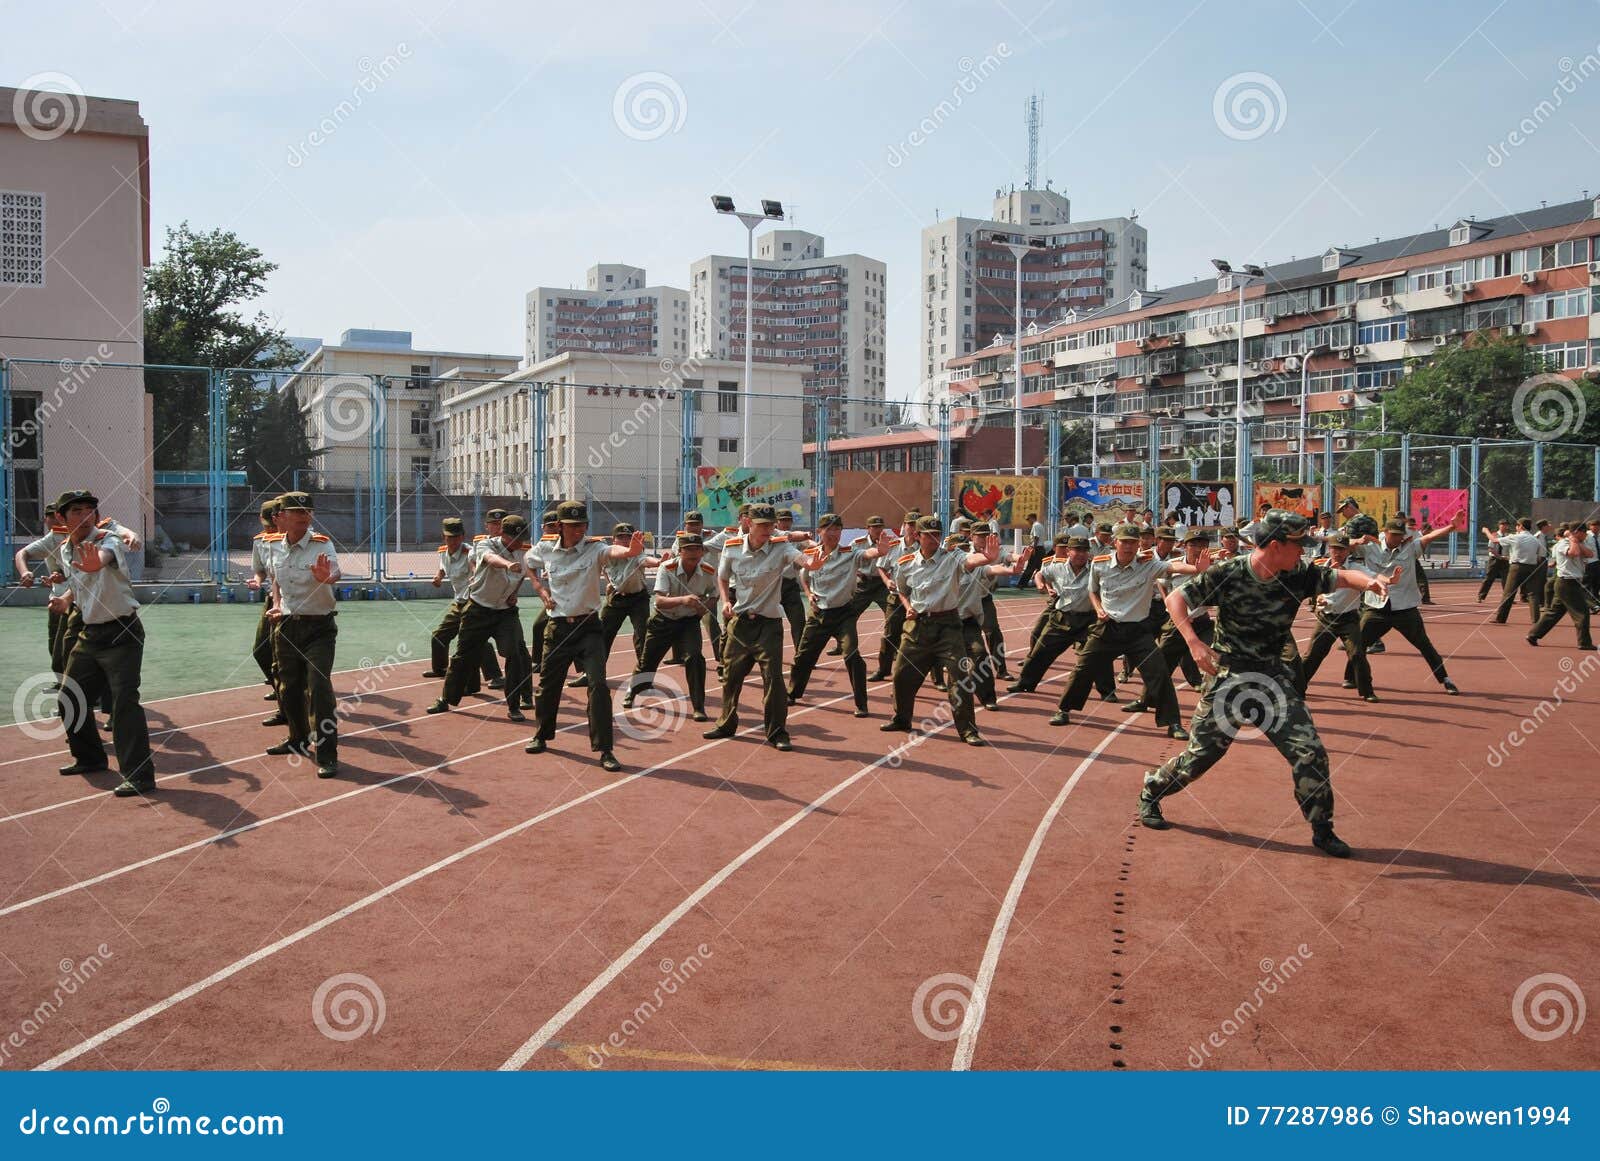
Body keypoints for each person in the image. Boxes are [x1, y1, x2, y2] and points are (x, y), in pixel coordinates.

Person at [1137, 510, 1395, 857]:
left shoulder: (1299, 573)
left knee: (1310, 752)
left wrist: (1371, 581)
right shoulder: (1229, 573)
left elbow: (1344, 577)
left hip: (1272, 678)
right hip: (1228, 678)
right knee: (1200, 758)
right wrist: (1194, 643)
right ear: (1275, 545)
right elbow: (1175, 599)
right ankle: (1152, 790)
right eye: (1297, 545)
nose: (1303, 552)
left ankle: (1322, 828)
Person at [519, 503, 647, 770]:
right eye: (574, 525)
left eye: (583, 525)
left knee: (598, 685)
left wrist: (632, 550)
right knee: (547, 686)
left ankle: (605, 749)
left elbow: (616, 551)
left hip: (589, 628)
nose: (580, 530)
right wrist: (539, 589)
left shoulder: (595, 548)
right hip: (558, 629)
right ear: (560, 527)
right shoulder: (545, 549)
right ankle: (542, 735)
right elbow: (527, 563)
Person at [1048, 523, 1206, 739]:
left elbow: (1175, 569)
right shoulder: (1100, 564)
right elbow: (1092, 591)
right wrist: (1098, 608)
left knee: (1159, 673)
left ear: (1138, 544)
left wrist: (1198, 568)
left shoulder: (1148, 564)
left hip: (1137, 631)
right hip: (1108, 628)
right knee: (1083, 668)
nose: (1129, 547)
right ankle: (1063, 710)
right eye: (1125, 542)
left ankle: (1173, 723)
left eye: (1133, 542)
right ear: (1115, 543)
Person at [50, 490, 157, 798]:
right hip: (89, 632)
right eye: (76, 512)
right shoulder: (66, 548)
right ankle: (90, 758)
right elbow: (79, 582)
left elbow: (100, 562)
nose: (84, 517)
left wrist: (94, 564)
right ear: (61, 518)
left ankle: (139, 777)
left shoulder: (106, 540)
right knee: (69, 697)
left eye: (89, 511)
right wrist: (66, 600)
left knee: (124, 703)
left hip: (122, 632)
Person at [704, 503, 834, 751]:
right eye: (762, 525)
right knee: (731, 676)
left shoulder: (780, 546)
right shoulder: (731, 548)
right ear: (748, 524)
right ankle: (726, 723)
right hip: (740, 624)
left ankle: (777, 732)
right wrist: (726, 600)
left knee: (773, 680)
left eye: (770, 525)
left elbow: (802, 559)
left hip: (768, 625)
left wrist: (812, 563)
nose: (767, 529)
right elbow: (722, 577)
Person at [877, 515, 1000, 745]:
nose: (934, 539)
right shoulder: (906, 563)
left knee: (960, 676)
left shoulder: (952, 557)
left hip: (949, 627)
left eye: (938, 534)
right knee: (902, 674)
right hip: (917, 627)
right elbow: (901, 590)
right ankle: (902, 718)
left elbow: (970, 561)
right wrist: (908, 607)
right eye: (929, 535)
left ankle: (968, 730)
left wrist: (986, 557)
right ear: (917, 536)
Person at [264, 491, 343, 778]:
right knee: (289, 688)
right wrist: (276, 604)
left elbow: (334, 572)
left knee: (319, 689)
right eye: (297, 512)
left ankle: (327, 753)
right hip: (286, 625)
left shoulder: (322, 544)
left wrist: (327, 578)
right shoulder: (272, 546)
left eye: (307, 512)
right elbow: (275, 579)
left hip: (319, 627)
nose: (304, 517)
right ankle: (297, 739)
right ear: (281, 517)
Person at [428, 513, 535, 723]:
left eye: (522, 538)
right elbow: (490, 559)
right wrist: (507, 564)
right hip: (478, 609)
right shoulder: (485, 545)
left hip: (505, 612)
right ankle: (446, 699)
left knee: (514, 654)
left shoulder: (525, 551)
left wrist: (514, 593)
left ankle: (514, 706)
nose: (519, 542)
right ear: (503, 534)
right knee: (462, 656)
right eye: (515, 538)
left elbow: (522, 574)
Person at [788, 513, 894, 717]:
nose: (833, 534)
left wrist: (880, 551)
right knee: (803, 656)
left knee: (853, 656)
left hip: (843, 614)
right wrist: (809, 595)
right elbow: (805, 577)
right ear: (819, 532)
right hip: (819, 615)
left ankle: (861, 704)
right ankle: (793, 693)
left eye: (837, 529)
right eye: (828, 529)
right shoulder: (811, 554)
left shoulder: (849, 552)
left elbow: (867, 554)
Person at [1357, 513, 1466, 695]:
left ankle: (1445, 679)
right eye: (1394, 534)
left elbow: (1430, 536)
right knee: (1357, 645)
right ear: (1385, 533)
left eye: (1400, 534)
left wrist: (1452, 527)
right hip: (1377, 607)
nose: (1398, 538)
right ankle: (1351, 677)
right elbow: (1344, 546)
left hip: (1405, 608)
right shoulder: (1370, 547)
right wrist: (1357, 540)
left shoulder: (1411, 547)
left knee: (1425, 645)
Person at [624, 532, 715, 721]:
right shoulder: (667, 568)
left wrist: (704, 608)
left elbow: (714, 595)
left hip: (689, 622)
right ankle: (633, 690)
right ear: (679, 551)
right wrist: (684, 600)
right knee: (647, 661)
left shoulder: (708, 571)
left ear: (702, 552)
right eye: (688, 549)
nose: (693, 553)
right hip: (663, 621)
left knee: (695, 657)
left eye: (697, 549)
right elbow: (659, 602)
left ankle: (699, 706)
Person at [567, 523, 663, 689]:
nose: (625, 541)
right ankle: (589, 674)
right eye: (621, 537)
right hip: (616, 599)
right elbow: (601, 567)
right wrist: (610, 582)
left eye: (629, 537)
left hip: (638, 599)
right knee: (601, 635)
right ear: (614, 539)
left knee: (642, 636)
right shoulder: (607, 553)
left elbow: (646, 561)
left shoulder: (637, 554)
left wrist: (660, 562)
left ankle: (644, 679)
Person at [1296, 532, 1391, 701]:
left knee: (1357, 654)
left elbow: (1374, 576)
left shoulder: (1356, 568)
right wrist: (1318, 599)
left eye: (1342, 549)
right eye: (1334, 549)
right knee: (1312, 655)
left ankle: (1367, 691)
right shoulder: (1319, 565)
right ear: (1329, 549)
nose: (1338, 553)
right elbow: (1310, 589)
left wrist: (1389, 580)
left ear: (1348, 551)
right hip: (1325, 619)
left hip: (1348, 619)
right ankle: (1297, 688)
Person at [1009, 532, 1096, 692]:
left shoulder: (1096, 569)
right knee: (1039, 652)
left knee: (1095, 656)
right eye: (1077, 550)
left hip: (1088, 620)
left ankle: (1107, 690)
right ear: (1068, 551)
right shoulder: (1057, 568)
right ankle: (1025, 683)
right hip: (1061, 619)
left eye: (1084, 550)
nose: (1081, 554)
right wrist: (1040, 584)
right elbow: (1040, 574)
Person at [426, 515, 504, 694]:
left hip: (473, 602)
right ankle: (440, 668)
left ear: (462, 537)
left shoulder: (469, 552)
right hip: (458, 602)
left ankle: (495, 676)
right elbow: (443, 566)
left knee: (475, 639)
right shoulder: (443, 552)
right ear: (443, 537)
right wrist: (438, 577)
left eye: (456, 537)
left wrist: (474, 574)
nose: (452, 541)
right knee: (439, 635)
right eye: (449, 537)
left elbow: (475, 567)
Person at [867, 510, 922, 682]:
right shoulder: (893, 546)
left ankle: (936, 678)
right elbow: (880, 566)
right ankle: (883, 670)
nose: (912, 529)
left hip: (918, 599)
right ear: (903, 526)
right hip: (896, 596)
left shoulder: (925, 546)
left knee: (924, 637)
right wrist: (886, 581)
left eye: (916, 526)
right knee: (890, 635)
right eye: (910, 525)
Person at [1527, 524, 1596, 649]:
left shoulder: (1577, 542)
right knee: (1582, 613)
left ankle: (1533, 634)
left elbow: (1590, 554)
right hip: (1567, 582)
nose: (1586, 535)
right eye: (1584, 532)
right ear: (1577, 532)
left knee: (1554, 612)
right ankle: (1584, 643)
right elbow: (1574, 553)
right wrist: (1573, 539)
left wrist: (1574, 539)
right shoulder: (1563, 544)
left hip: (1570, 582)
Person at [247, 498, 283, 699]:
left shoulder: (291, 540)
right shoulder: (259, 541)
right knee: (261, 649)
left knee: (284, 652)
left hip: (292, 600)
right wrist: (257, 581)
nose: (271, 529)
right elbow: (260, 570)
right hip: (272, 599)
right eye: (268, 525)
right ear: (261, 519)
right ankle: (278, 687)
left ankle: (288, 694)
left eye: (274, 525)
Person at [1493, 517, 1548, 626]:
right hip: (1532, 567)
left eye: (1517, 526)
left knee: (1508, 593)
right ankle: (1535, 620)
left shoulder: (1515, 537)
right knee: (1533, 594)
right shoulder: (1535, 539)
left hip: (1517, 567)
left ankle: (1501, 618)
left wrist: (1486, 531)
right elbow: (1541, 555)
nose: (1516, 528)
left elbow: (1495, 540)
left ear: (1521, 526)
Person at [773, 509, 813, 647]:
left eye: (788, 520)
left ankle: (801, 656)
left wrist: (820, 544)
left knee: (799, 620)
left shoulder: (794, 537)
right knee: (771, 624)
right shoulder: (770, 537)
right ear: (776, 522)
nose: (785, 523)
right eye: (782, 520)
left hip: (789, 585)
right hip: (771, 586)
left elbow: (809, 543)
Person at [1478, 519, 1512, 602]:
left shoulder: (1509, 536)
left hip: (1505, 559)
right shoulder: (1494, 535)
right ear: (1499, 525)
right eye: (1502, 524)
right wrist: (1499, 556)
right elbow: (1491, 549)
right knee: (1489, 578)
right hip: (1494, 559)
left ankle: (1507, 597)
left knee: (1506, 579)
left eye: (1506, 525)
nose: (1504, 526)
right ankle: (1481, 596)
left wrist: (1507, 557)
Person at [1016, 512, 1046, 590]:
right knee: (1040, 568)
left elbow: (1036, 538)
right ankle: (1042, 583)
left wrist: (1033, 548)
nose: (1028, 521)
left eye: (1028, 519)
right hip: (1041, 549)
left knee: (1030, 567)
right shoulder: (1040, 525)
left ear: (1032, 518)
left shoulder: (1035, 526)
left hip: (1037, 548)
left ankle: (1021, 584)